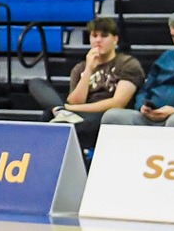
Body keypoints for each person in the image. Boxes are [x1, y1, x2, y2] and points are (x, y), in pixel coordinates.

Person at [31, 17, 141, 147]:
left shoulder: (127, 63)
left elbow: (118, 103)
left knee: (65, 122)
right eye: (94, 36)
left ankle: (61, 112)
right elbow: (75, 100)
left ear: (115, 39)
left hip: (106, 114)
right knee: (36, 83)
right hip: (77, 112)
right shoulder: (80, 68)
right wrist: (89, 69)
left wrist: (69, 109)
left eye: (104, 36)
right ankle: (61, 114)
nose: (98, 40)